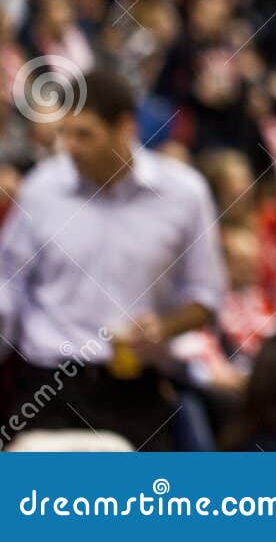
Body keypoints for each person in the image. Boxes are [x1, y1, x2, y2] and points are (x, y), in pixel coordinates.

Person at [0, 70, 226, 450]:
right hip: (49, 388)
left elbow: (207, 295)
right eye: (64, 133)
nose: (70, 146)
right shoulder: (42, 188)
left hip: (136, 388)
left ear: (124, 127)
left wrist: (166, 326)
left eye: (84, 134)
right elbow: (9, 287)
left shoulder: (184, 194)